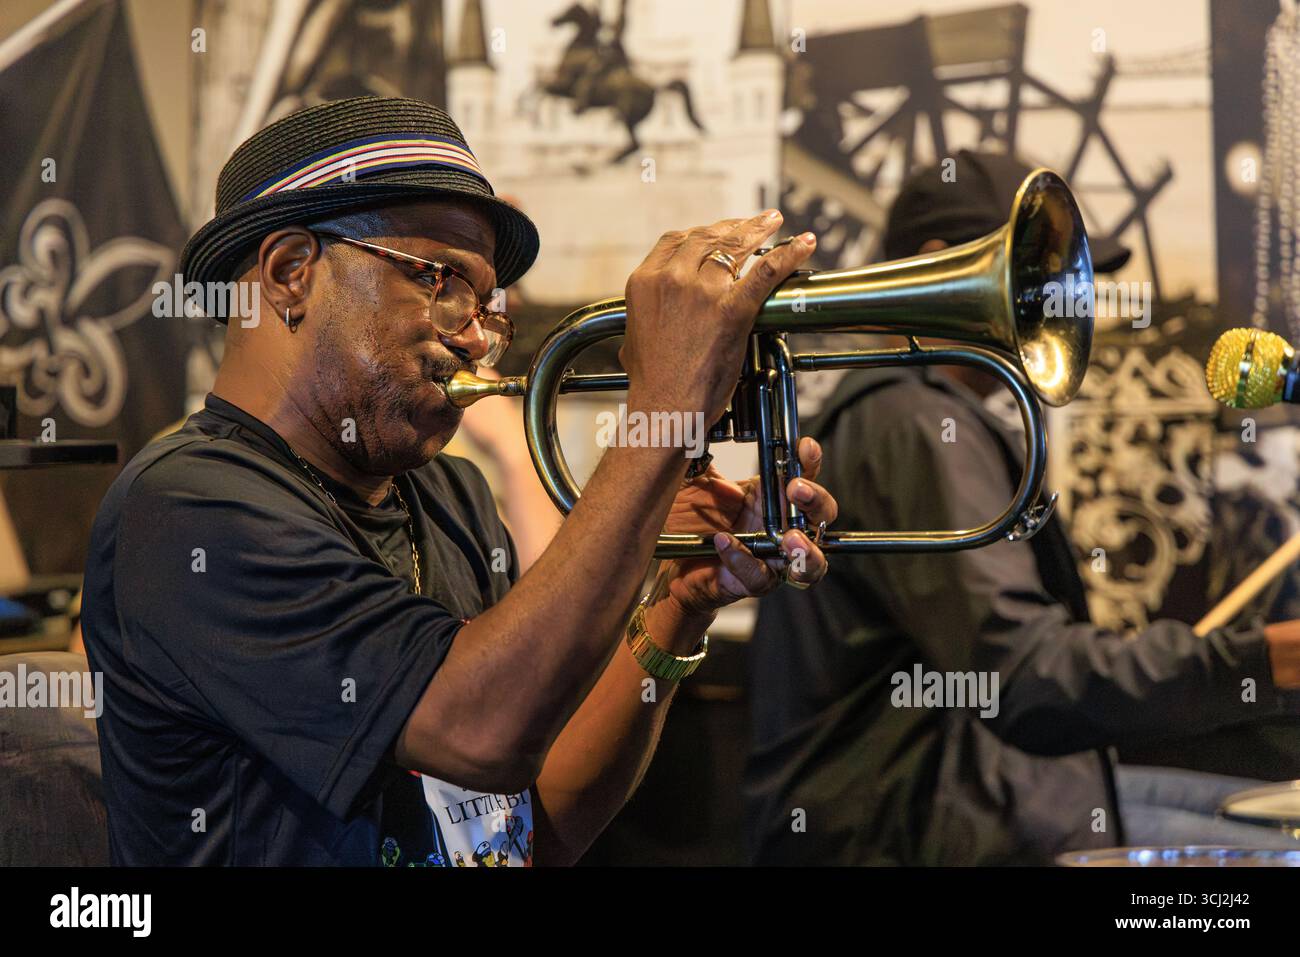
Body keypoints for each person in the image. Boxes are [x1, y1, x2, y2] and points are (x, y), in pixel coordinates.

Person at [81, 95, 837, 866]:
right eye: (439, 281)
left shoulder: (451, 497)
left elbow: (524, 830)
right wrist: (666, 410)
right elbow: (481, 733)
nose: (475, 335)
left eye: (483, 304)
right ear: (290, 274)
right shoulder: (187, 508)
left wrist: (678, 602)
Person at [743, 150, 1300, 866]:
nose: (1070, 303)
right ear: (939, 267)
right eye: (1043, 274)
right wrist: (1269, 660)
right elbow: (1027, 679)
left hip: (975, 788)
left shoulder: (917, 415)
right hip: (914, 825)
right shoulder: (911, 421)